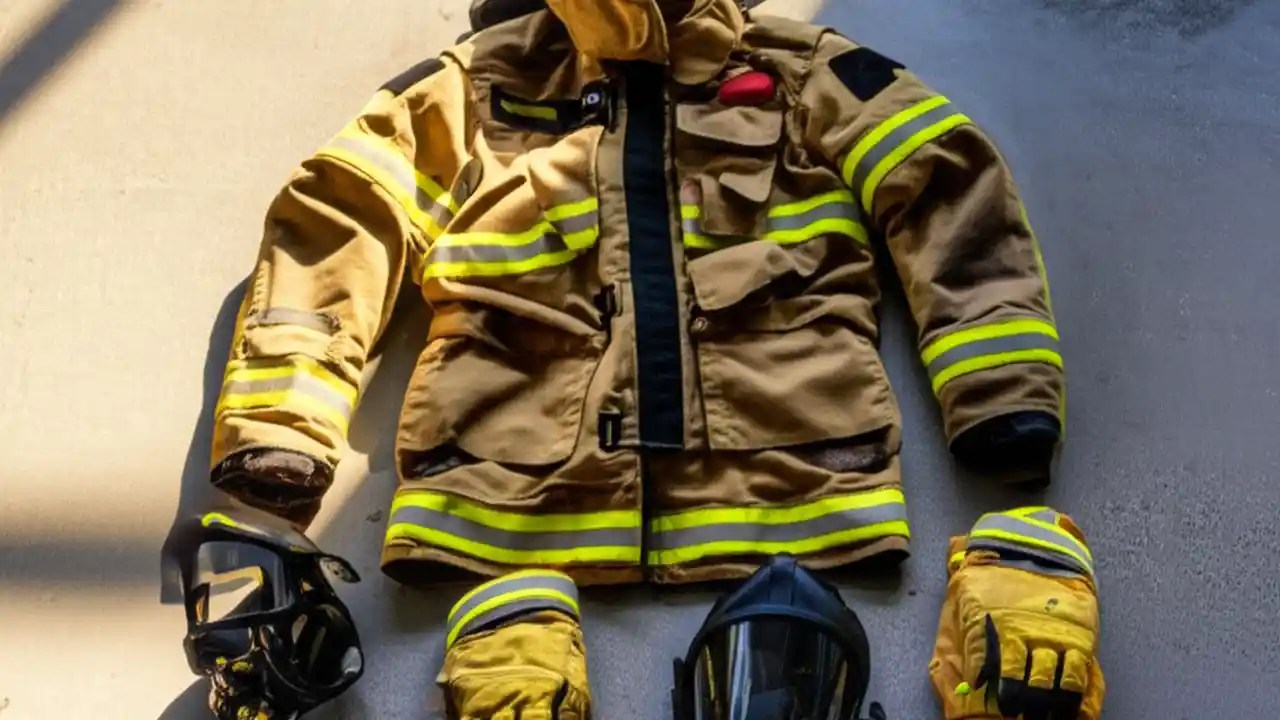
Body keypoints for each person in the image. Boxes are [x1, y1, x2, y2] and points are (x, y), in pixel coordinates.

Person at [197, 0, 1104, 716]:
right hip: (504, 499)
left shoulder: (801, 73)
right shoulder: (476, 85)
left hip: (797, 481)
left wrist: (995, 392)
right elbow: (343, 218)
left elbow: (949, 182)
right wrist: (285, 416)